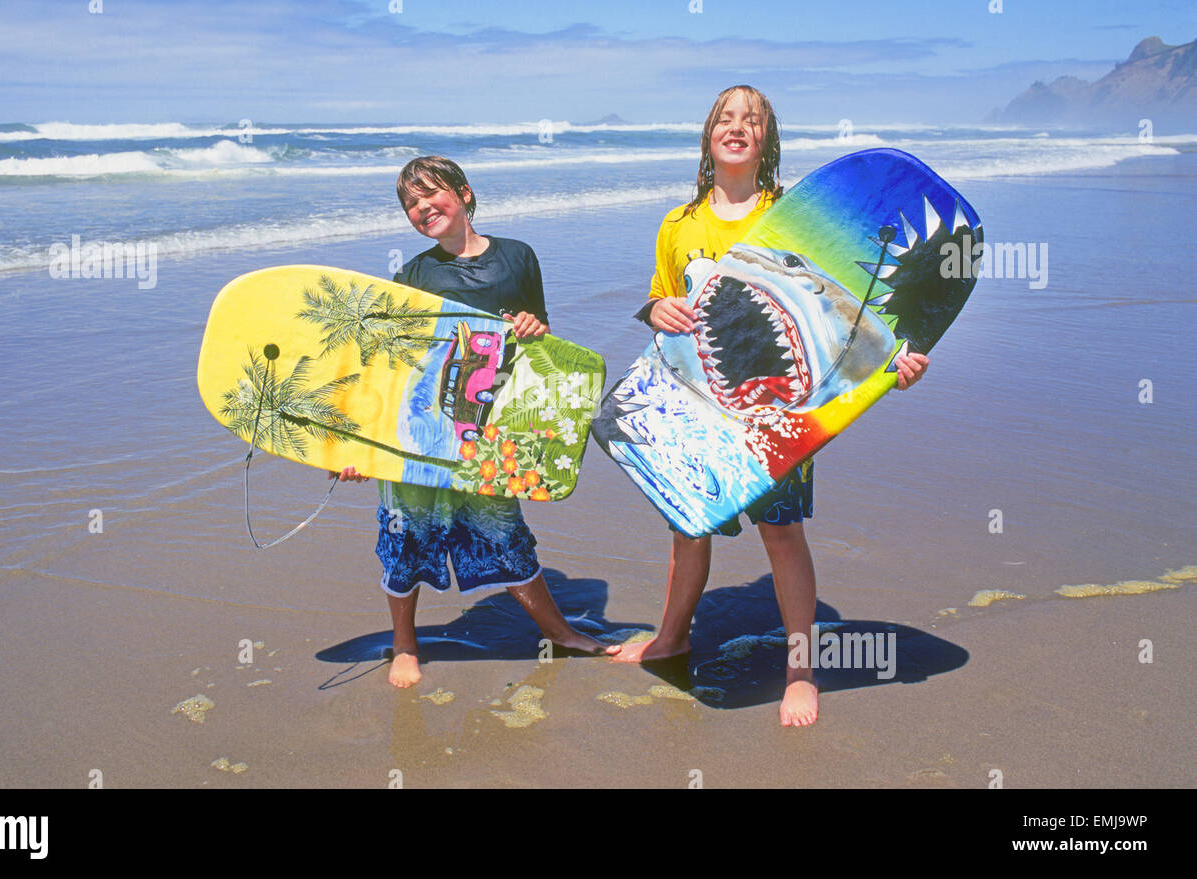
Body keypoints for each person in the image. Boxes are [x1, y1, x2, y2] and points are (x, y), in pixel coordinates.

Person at [613, 86, 930, 727]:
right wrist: (654, 309)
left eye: (751, 121)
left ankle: (800, 671)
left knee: (782, 534)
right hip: (702, 400)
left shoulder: (795, 217)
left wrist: (891, 363)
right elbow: (661, 300)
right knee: (687, 523)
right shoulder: (678, 226)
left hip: (785, 407)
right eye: (725, 119)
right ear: (707, 136)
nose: (737, 127)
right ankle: (672, 637)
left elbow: (854, 319)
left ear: (767, 141)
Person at [335, 155, 618, 688]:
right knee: (407, 534)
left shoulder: (518, 257)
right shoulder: (412, 274)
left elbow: (540, 344)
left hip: (490, 431)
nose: (421, 208)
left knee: (504, 529)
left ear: (464, 194)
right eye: (410, 203)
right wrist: (366, 447)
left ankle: (559, 632)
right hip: (423, 427)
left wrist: (534, 326)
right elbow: (394, 367)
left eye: (431, 194)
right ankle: (404, 644)